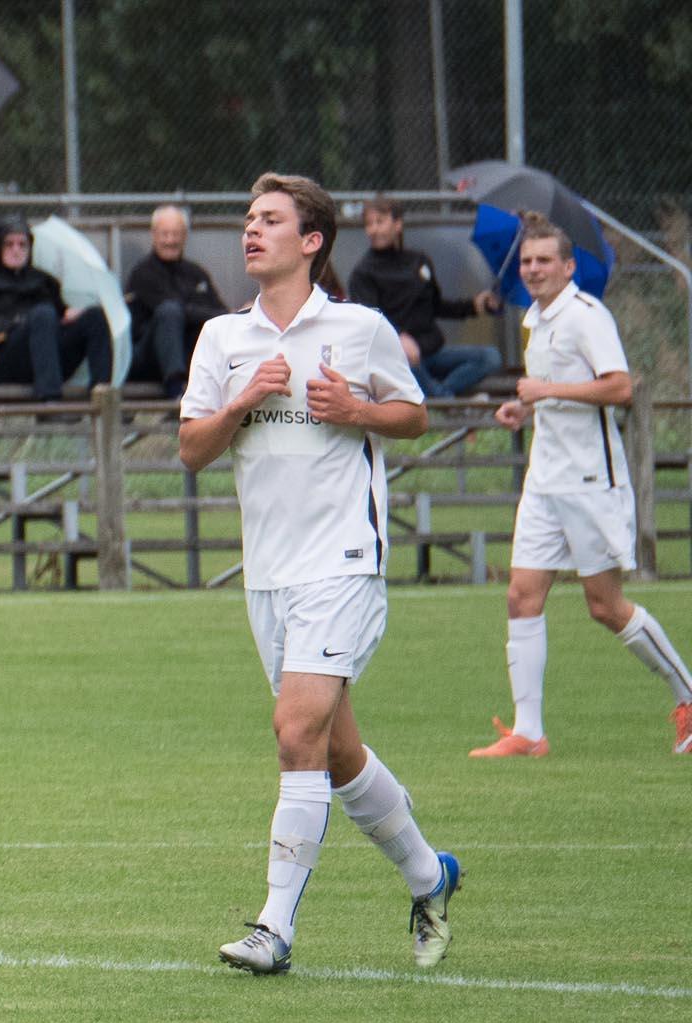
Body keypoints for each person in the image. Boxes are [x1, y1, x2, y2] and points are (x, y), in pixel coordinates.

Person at [178, 173, 459, 975]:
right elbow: (192, 450)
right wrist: (239, 403)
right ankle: (429, 874)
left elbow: (413, 415)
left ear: (312, 241)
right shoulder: (221, 340)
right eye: (247, 218)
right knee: (335, 754)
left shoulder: (359, 327)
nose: (250, 231)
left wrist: (356, 411)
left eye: (270, 219)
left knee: (294, 730)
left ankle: (274, 928)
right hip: (267, 574)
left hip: (342, 564)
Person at [472, 212, 692, 758]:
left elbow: (619, 387)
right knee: (521, 597)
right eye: (527, 261)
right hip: (544, 480)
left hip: (592, 480)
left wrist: (545, 387)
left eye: (545, 260)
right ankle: (529, 732)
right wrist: (524, 407)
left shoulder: (587, 315)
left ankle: (687, 695)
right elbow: (554, 392)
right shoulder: (535, 320)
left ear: (568, 267)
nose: (533, 269)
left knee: (605, 606)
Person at [348, 197, 503, 399]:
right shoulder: (363, 272)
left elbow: (436, 305)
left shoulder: (419, 261)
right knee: (406, 365)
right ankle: (450, 404)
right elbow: (369, 321)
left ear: (398, 224)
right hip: (397, 359)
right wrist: (399, 337)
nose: (373, 230)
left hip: (432, 352)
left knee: (490, 358)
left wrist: (475, 305)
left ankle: (441, 398)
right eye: (369, 224)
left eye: (380, 222)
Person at [0, 216, 112, 400]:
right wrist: (17, 322)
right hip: (4, 360)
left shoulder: (42, 281)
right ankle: (49, 401)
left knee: (95, 317)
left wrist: (69, 315)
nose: (16, 250)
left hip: (50, 358)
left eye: (22, 245)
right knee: (42, 314)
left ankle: (104, 398)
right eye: (9, 244)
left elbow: (58, 314)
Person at [124, 205, 226, 397]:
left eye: (176, 234)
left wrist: (237, 314)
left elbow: (221, 312)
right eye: (164, 234)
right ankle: (175, 389)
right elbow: (179, 310)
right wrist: (212, 313)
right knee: (170, 312)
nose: (170, 240)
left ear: (185, 235)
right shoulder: (143, 273)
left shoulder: (197, 273)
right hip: (148, 357)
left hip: (191, 354)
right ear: (154, 235)